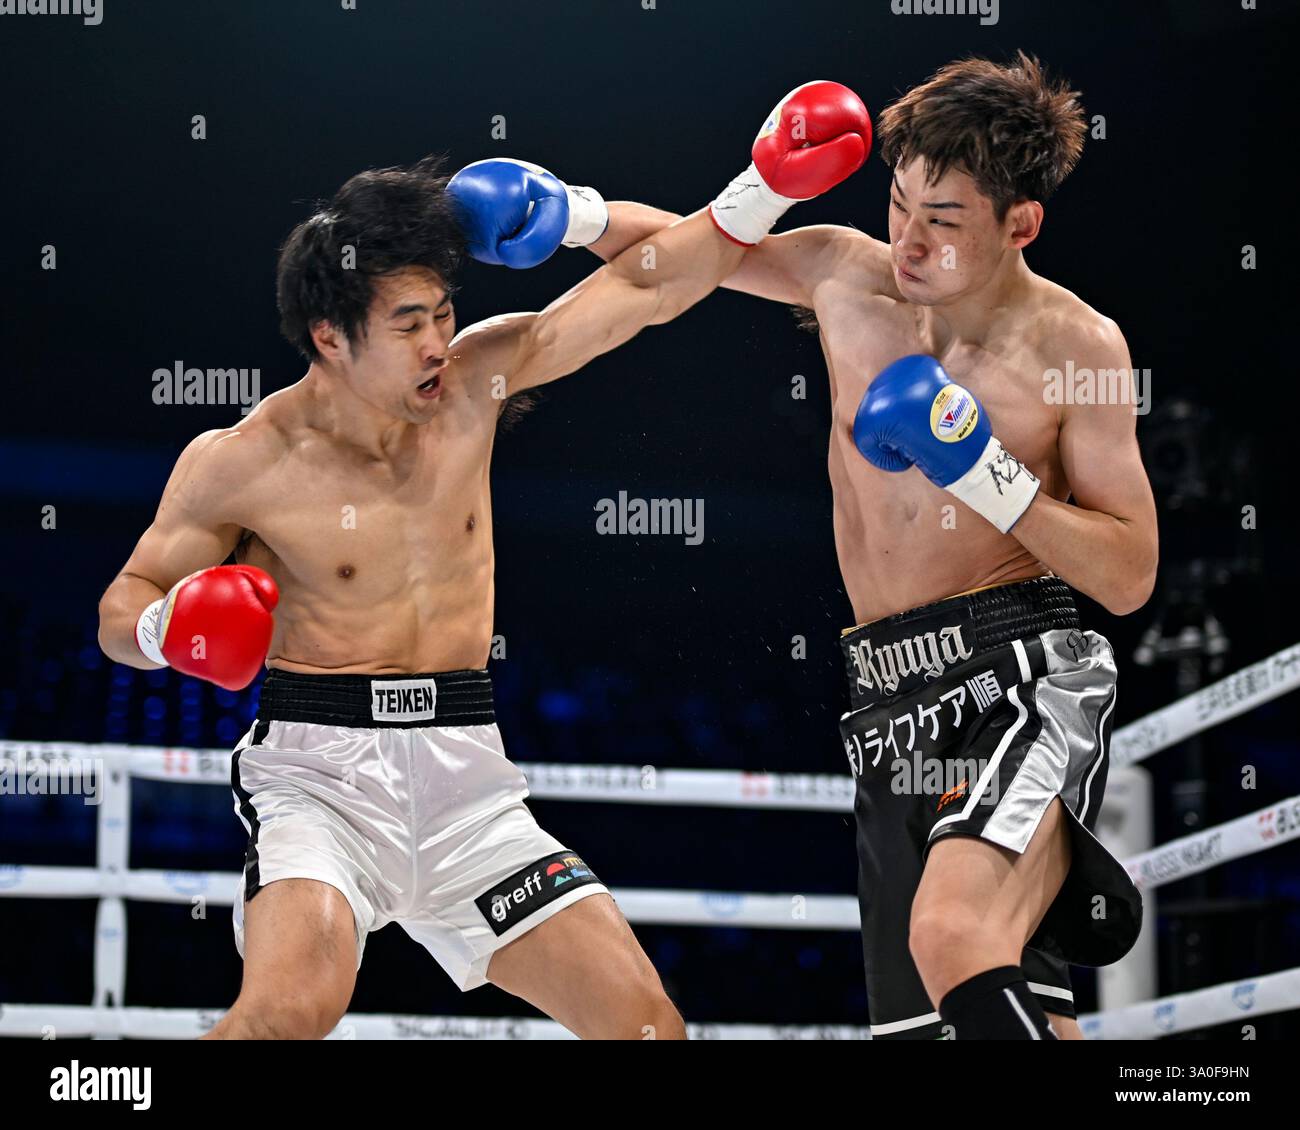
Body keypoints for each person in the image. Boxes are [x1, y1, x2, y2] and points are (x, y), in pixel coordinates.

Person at [95, 82, 870, 1039]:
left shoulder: (475, 385)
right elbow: (119, 610)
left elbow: (646, 286)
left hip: (468, 782)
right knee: (286, 1016)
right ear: (330, 337)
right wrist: (169, 626)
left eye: (444, 311)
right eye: (410, 323)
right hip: (321, 781)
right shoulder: (240, 464)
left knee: (647, 1028)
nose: (439, 342)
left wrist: (764, 188)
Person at [586, 53, 1157, 1039]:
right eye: (898, 204)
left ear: (1020, 226)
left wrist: (983, 471)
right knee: (960, 1013)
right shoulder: (844, 277)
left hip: (1016, 671)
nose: (907, 239)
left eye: (943, 220)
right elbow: (680, 257)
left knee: (953, 933)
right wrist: (568, 213)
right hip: (885, 694)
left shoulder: (1080, 348)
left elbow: (1128, 570)